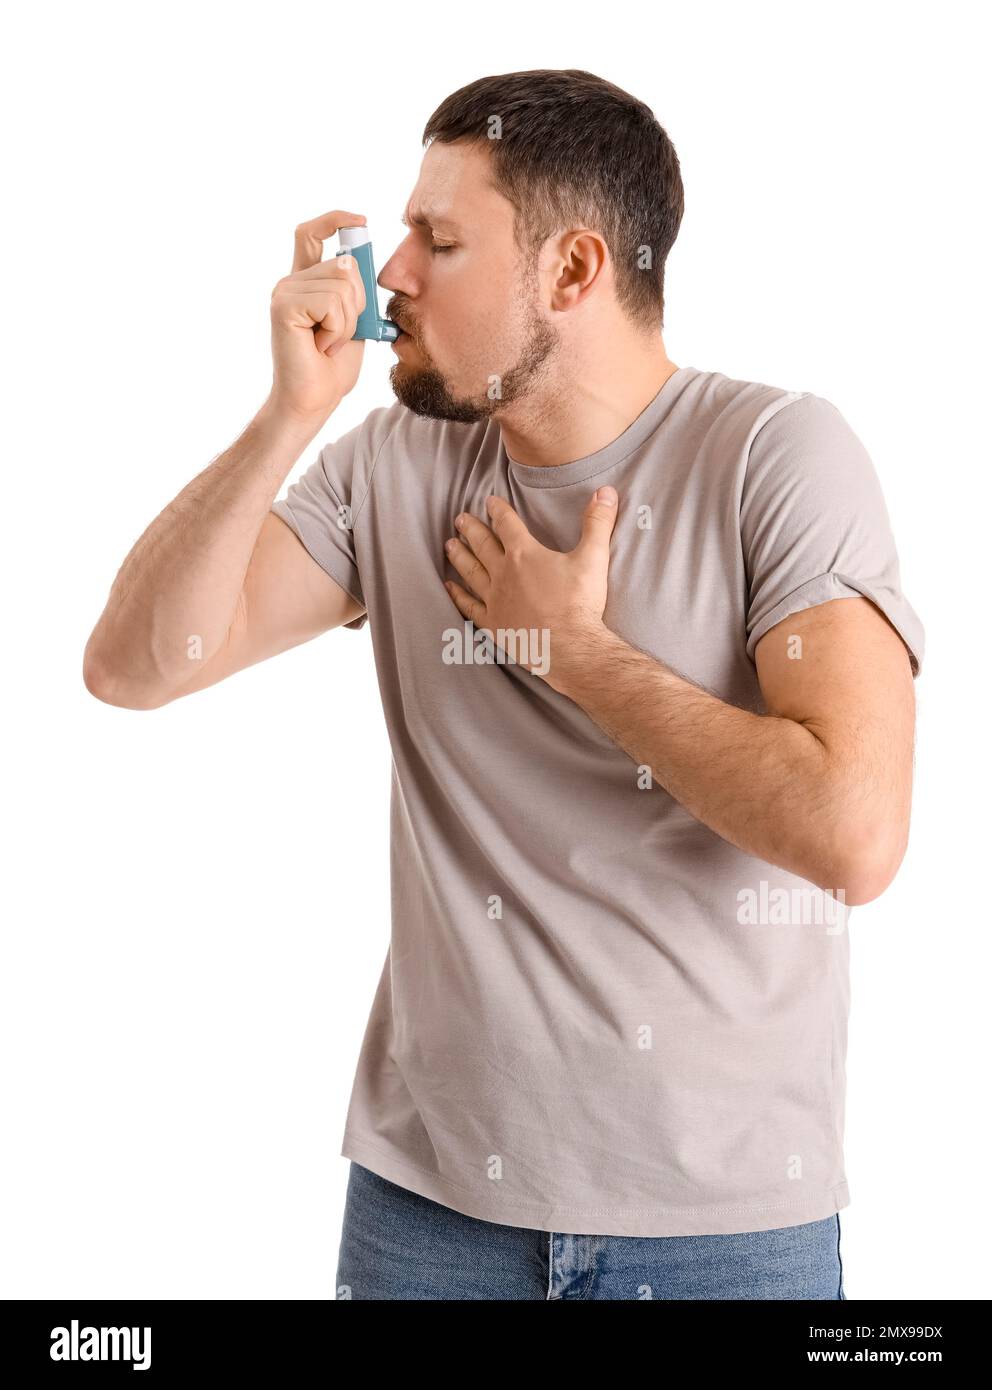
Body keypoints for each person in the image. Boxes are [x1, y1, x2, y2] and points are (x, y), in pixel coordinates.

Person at [82, 69, 924, 1301]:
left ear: (572, 272)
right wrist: (287, 416)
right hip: (428, 1212)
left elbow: (851, 835)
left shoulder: (775, 455)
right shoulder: (396, 463)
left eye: (439, 239)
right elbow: (132, 667)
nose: (393, 276)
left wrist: (578, 656)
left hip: (721, 1231)